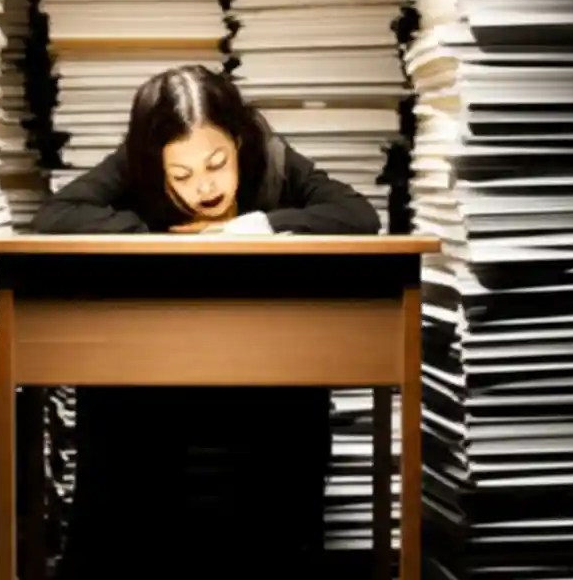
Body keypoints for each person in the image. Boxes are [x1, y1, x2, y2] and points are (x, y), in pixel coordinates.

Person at [33, 65, 381, 578]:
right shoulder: (137, 161)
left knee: (295, 398)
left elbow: (357, 214)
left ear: (238, 141)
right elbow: (56, 215)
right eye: (182, 176)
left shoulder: (271, 154)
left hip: (265, 364)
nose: (205, 188)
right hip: (158, 365)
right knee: (114, 394)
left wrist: (263, 224)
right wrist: (162, 238)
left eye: (217, 163)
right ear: (158, 166)